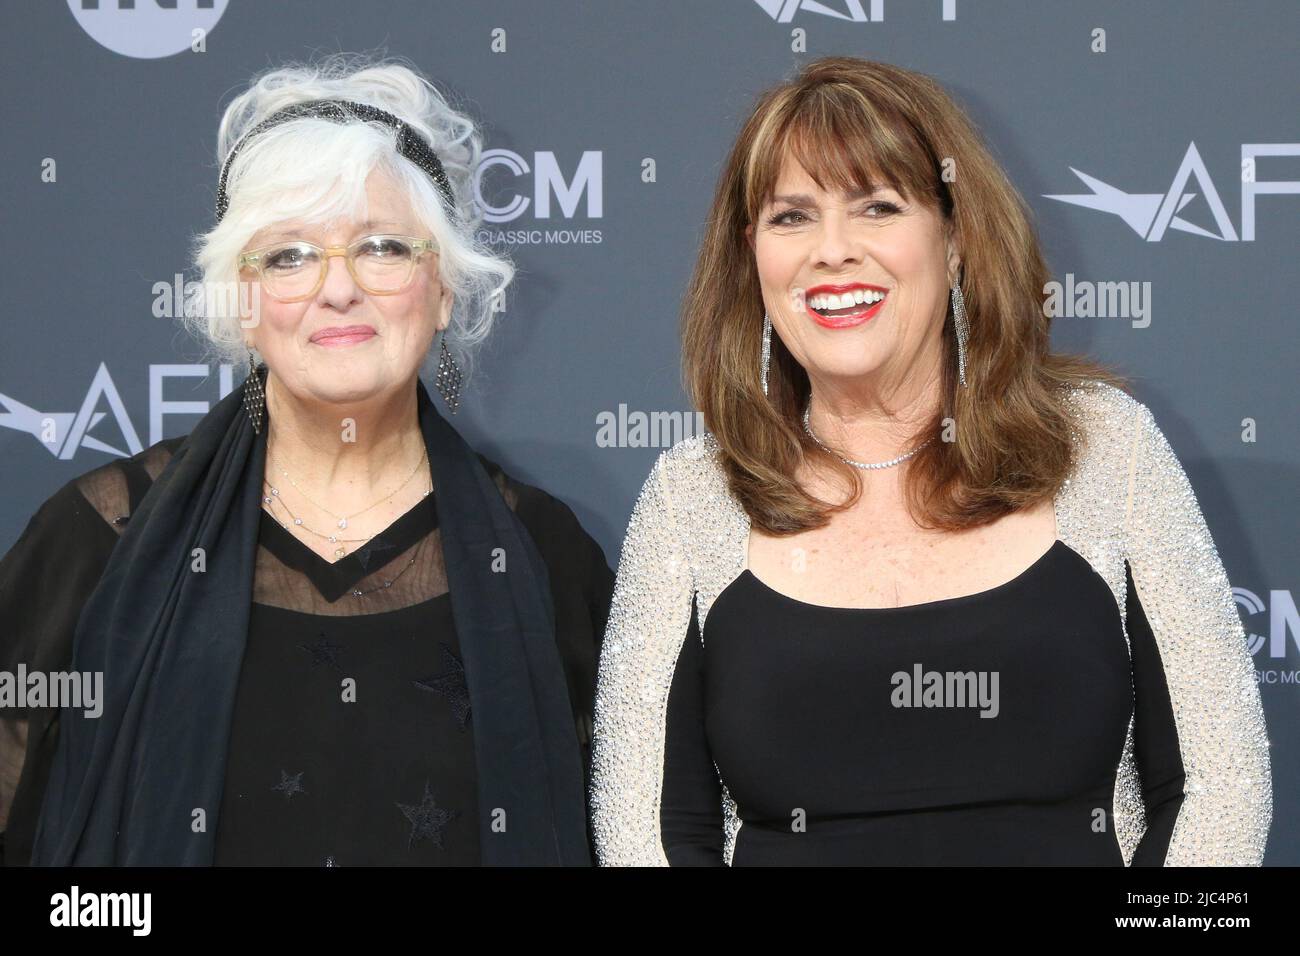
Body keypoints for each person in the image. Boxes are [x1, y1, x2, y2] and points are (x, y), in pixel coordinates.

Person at [589, 57, 1271, 866]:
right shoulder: (692, 495)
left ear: (953, 240)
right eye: (792, 217)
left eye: (877, 206)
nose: (831, 252)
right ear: (752, 256)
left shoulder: (1104, 449)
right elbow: (649, 833)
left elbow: (1219, 791)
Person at [0, 55, 612, 866]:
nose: (338, 289)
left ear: (445, 291)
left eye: (383, 247)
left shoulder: (542, 553)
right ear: (242, 305)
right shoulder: (102, 537)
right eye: (288, 256)